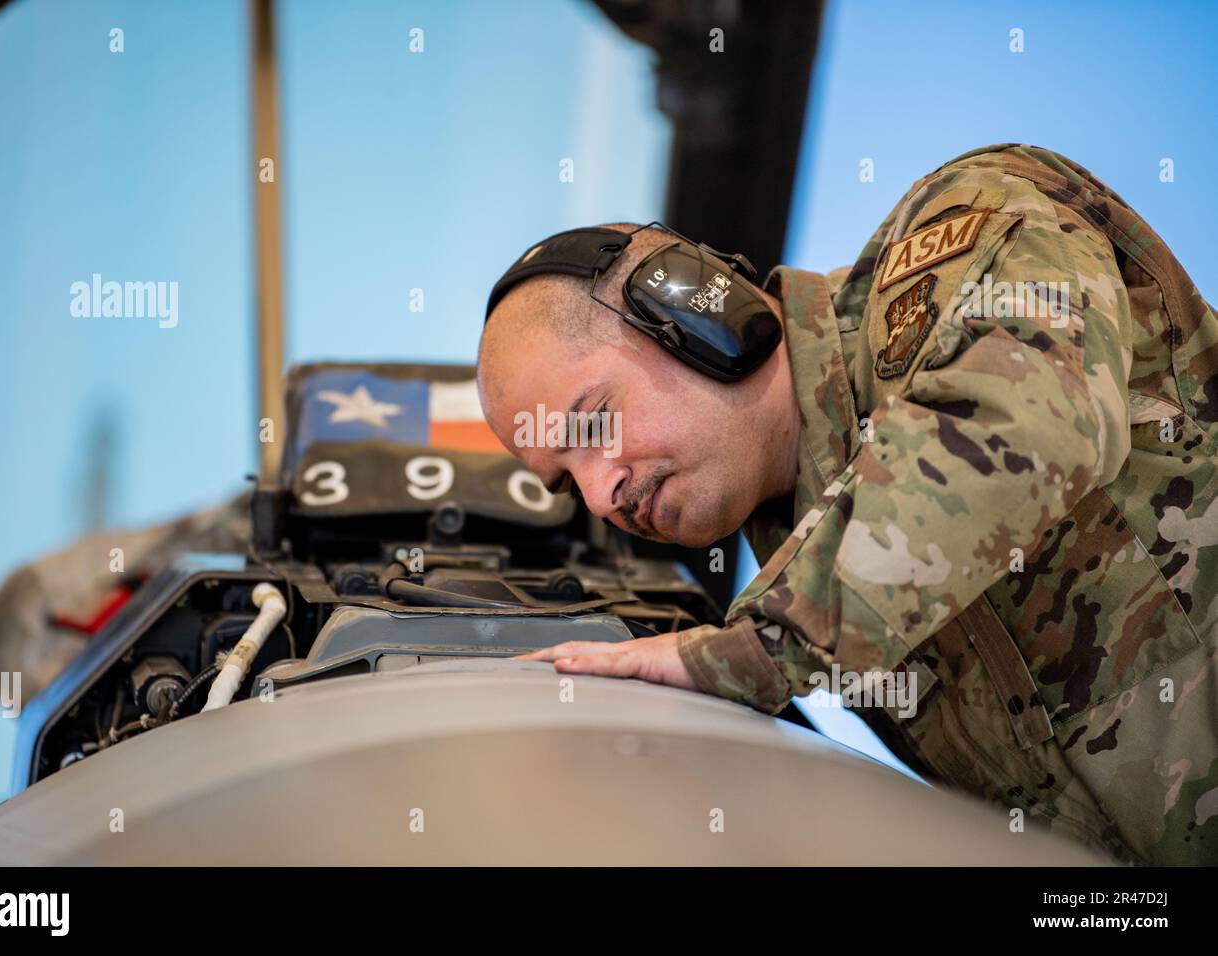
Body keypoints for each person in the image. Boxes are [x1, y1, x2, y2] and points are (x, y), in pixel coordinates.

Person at [475, 144, 1218, 865]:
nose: (604, 493)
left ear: (694, 309)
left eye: (595, 421)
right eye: (568, 483)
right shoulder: (804, 575)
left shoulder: (969, 215)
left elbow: (1033, 427)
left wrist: (748, 654)